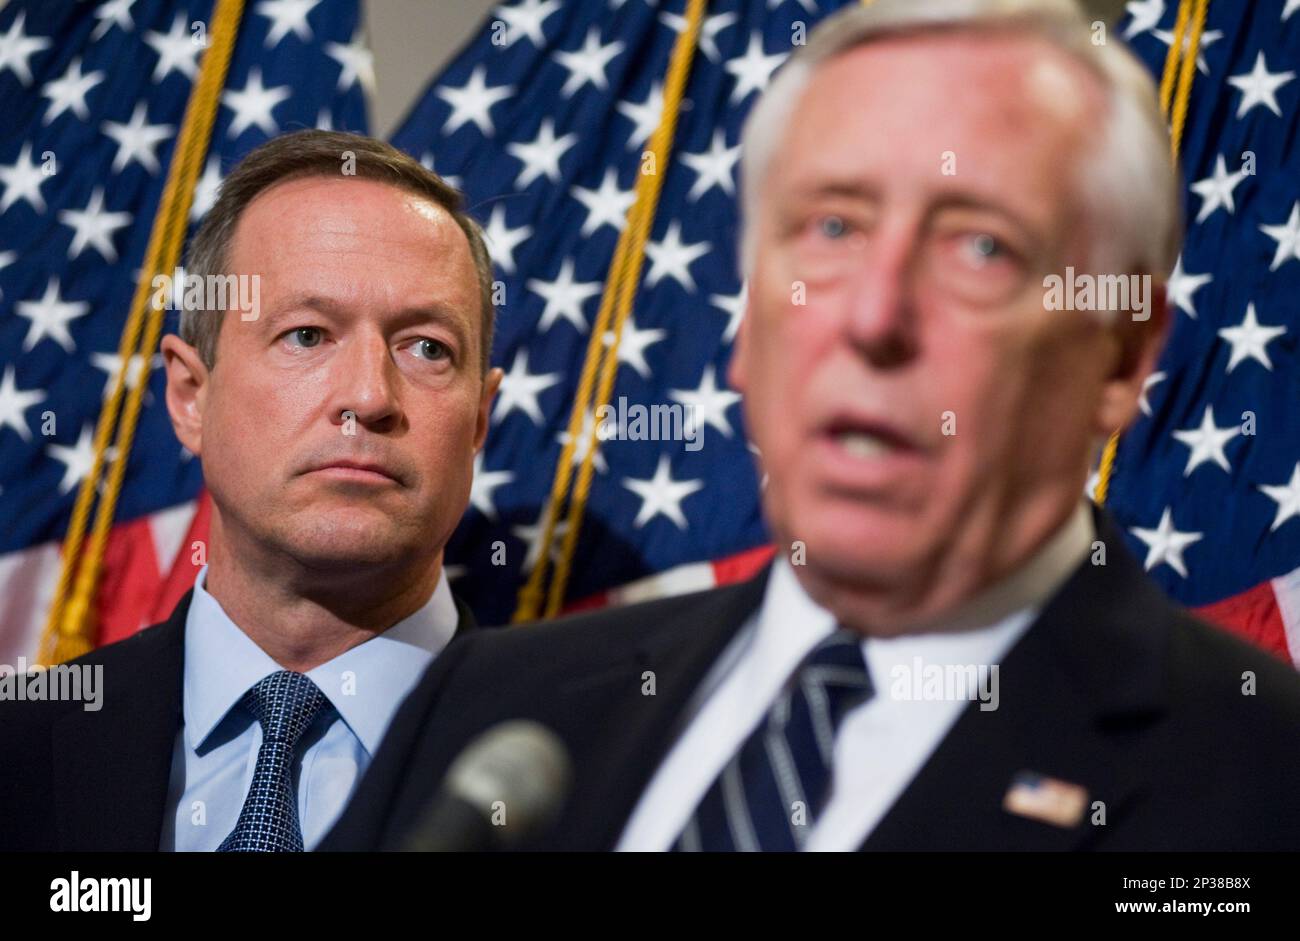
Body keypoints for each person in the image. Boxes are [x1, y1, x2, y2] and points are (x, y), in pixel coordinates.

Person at [323, 0, 1300, 852]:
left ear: (1120, 359)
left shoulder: (1257, 776)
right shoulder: (488, 717)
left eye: (980, 244)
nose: (873, 314)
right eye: (831, 227)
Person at [0, 130, 503, 851]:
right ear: (190, 395)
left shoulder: (606, 765)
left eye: (427, 347)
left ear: (479, 418)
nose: (367, 394)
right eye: (306, 334)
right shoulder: (15, 753)